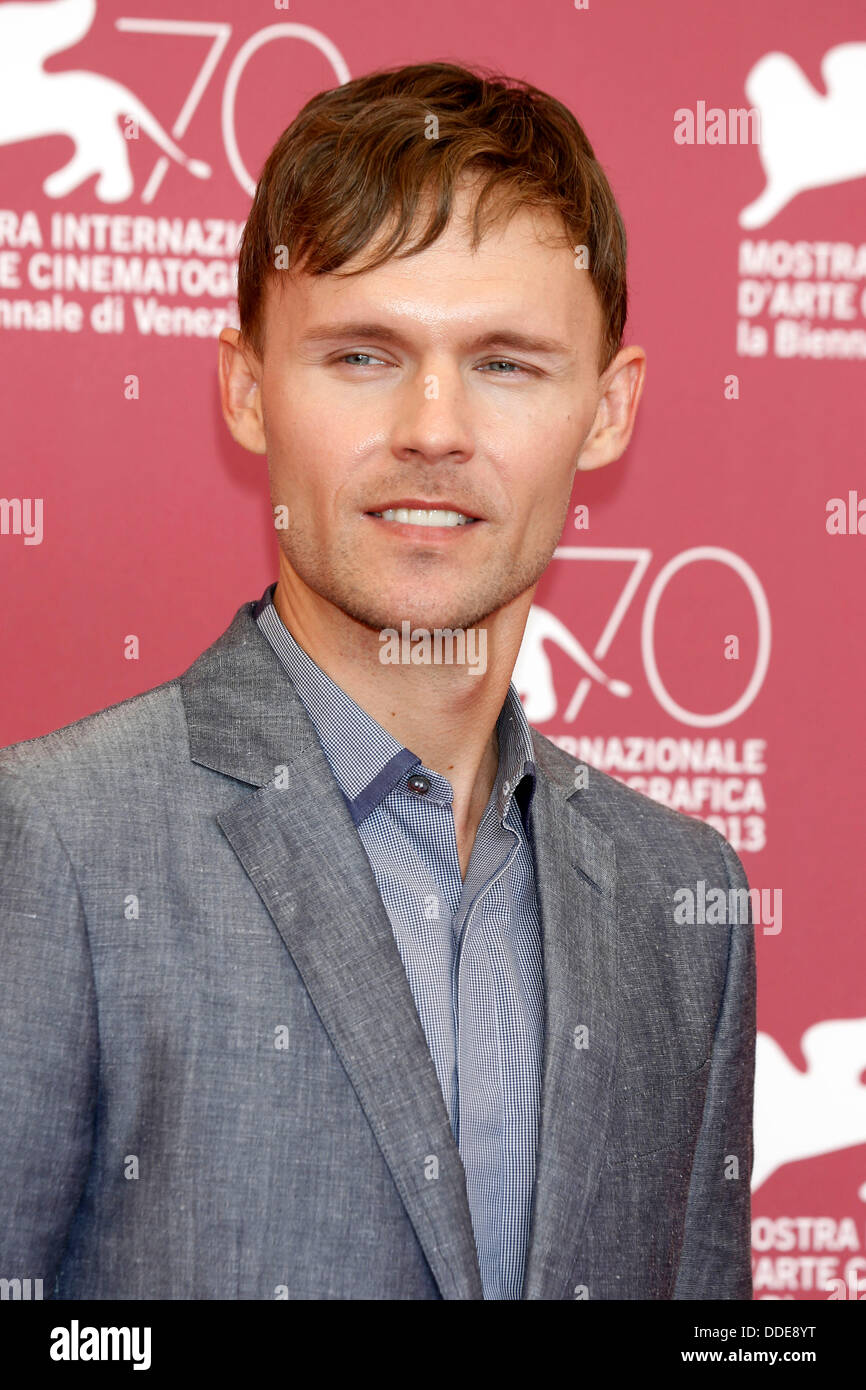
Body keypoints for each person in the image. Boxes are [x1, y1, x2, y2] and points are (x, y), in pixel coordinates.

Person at [0, 60, 755, 1300]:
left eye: (507, 363)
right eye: (361, 355)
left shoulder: (685, 905)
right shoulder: (57, 845)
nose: (433, 426)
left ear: (607, 412)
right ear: (246, 387)